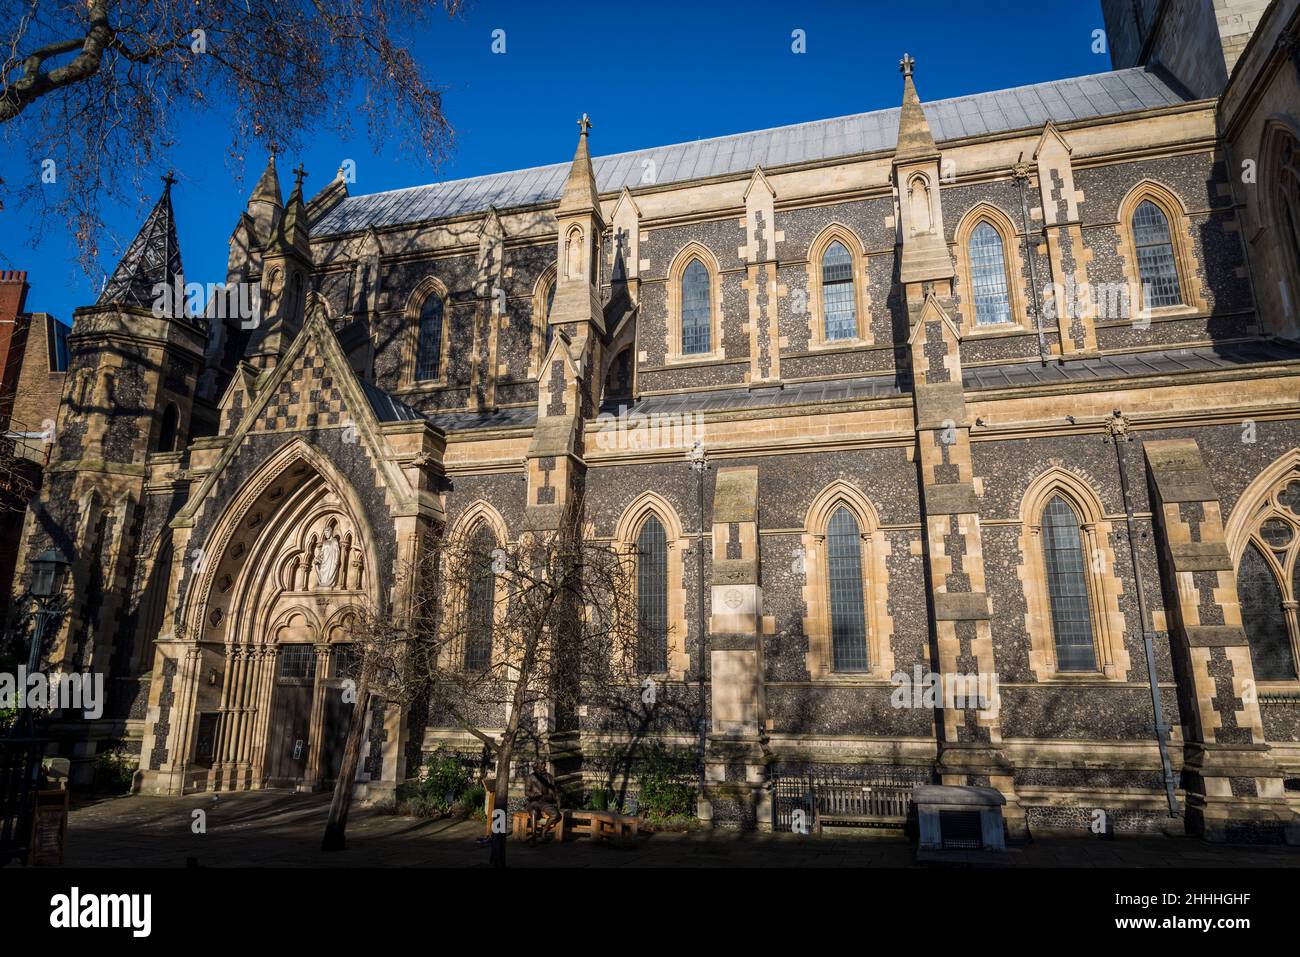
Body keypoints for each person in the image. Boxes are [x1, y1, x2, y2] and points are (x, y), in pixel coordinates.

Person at [524, 760, 562, 842]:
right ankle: (533, 837)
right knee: (534, 812)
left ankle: (543, 832)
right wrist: (534, 794)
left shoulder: (549, 777)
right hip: (533, 802)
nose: (542, 765)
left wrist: (552, 798)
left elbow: (552, 792)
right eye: (540, 763)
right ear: (536, 764)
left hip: (544, 802)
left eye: (543, 763)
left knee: (555, 815)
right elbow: (526, 792)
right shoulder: (531, 777)